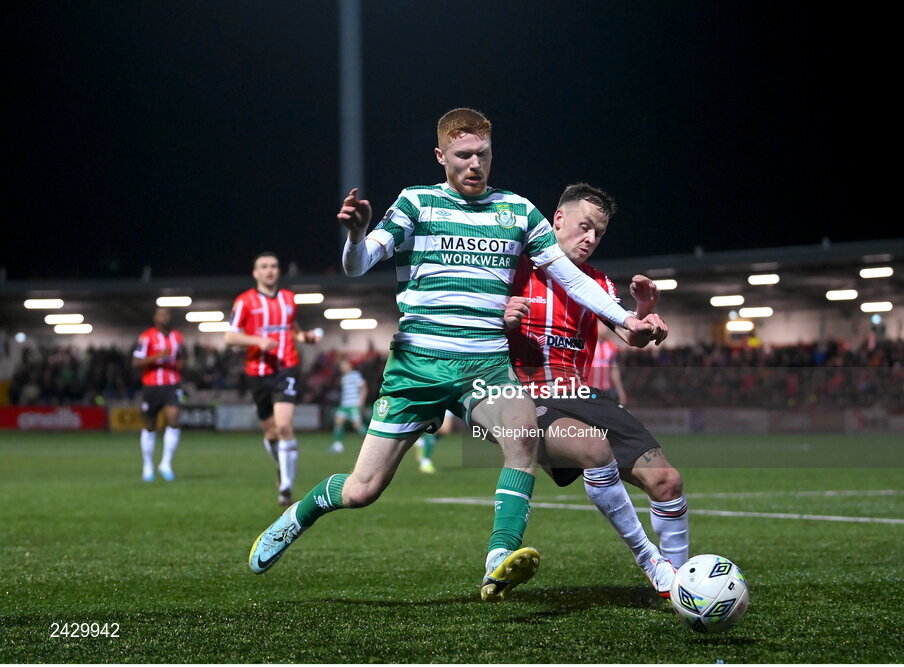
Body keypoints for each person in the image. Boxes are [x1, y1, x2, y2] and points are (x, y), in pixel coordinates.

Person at [248, 108, 660, 603]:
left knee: (523, 432)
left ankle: (498, 559)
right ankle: (297, 516)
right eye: (463, 155)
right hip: (416, 367)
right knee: (363, 489)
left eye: (482, 155)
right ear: (441, 156)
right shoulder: (415, 203)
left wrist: (623, 319)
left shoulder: (518, 211)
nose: (474, 165)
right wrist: (356, 235)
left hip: (483, 366)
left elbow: (570, 278)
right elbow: (357, 266)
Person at [505, 183, 689, 594]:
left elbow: (631, 336)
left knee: (668, 482)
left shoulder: (599, 283)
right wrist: (502, 318)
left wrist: (644, 315)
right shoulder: (512, 269)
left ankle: (681, 588)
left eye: (599, 233)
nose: (590, 239)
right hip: (520, 398)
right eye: (584, 227)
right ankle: (652, 564)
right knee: (591, 448)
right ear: (557, 219)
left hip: (579, 395)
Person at [225, 252, 322, 506]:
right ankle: (282, 469)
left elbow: (293, 330)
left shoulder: (289, 299)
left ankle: (286, 487)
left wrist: (305, 338)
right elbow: (231, 337)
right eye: (264, 267)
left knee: (284, 426)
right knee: (270, 432)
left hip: (286, 368)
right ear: (255, 273)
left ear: (278, 271)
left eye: (274, 266)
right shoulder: (245, 301)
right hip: (257, 373)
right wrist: (257, 340)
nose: (269, 270)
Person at [132, 308, 184, 482]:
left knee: (174, 419)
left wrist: (181, 364)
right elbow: (136, 361)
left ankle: (166, 463)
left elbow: (182, 357)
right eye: (161, 315)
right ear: (155, 318)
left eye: (167, 315)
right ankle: (147, 465)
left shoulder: (177, 337)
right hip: (151, 386)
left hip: (171, 384)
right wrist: (157, 357)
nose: (164, 318)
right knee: (150, 426)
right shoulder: (146, 337)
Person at [330, 357, 367, 453]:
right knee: (338, 422)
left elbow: (363, 387)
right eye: (341, 366)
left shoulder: (355, 375)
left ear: (349, 365)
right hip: (344, 405)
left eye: (344, 365)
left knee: (357, 425)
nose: (342, 367)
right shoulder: (343, 378)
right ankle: (338, 445)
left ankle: (369, 444)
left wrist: (361, 401)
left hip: (354, 404)